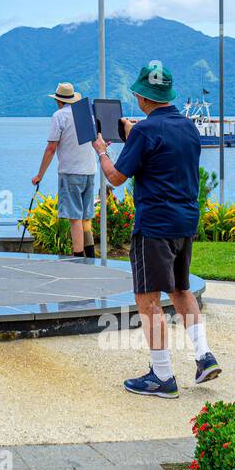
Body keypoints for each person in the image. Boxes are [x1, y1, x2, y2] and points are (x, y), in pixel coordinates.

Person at [92, 62, 220, 397]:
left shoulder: (146, 132)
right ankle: (204, 356)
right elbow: (164, 151)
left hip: (154, 226)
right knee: (181, 289)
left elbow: (116, 177)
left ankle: (162, 375)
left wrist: (103, 151)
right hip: (185, 221)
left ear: (141, 96)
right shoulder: (189, 128)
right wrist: (136, 133)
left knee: (148, 299)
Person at [31, 82, 98, 258]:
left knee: (74, 217)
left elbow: (51, 148)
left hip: (71, 171)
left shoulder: (59, 116)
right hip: (90, 170)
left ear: (58, 101)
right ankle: (90, 256)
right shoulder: (85, 115)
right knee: (85, 217)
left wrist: (39, 175)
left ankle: (78, 257)